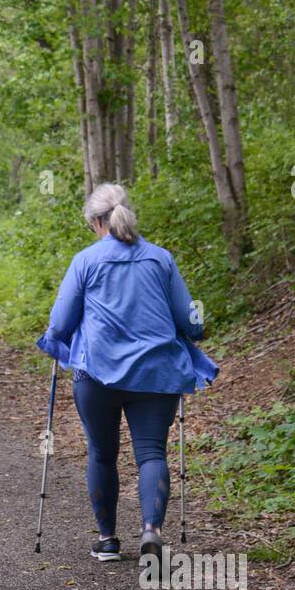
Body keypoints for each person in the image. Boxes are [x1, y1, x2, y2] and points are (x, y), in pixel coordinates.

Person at [37, 182, 217, 563]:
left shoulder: (85, 261)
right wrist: (193, 331)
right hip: (157, 370)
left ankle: (107, 539)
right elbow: (191, 319)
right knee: (151, 452)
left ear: (96, 222)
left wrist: (55, 337)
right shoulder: (161, 258)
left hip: (97, 374)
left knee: (102, 453)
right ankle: (151, 532)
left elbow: (61, 322)